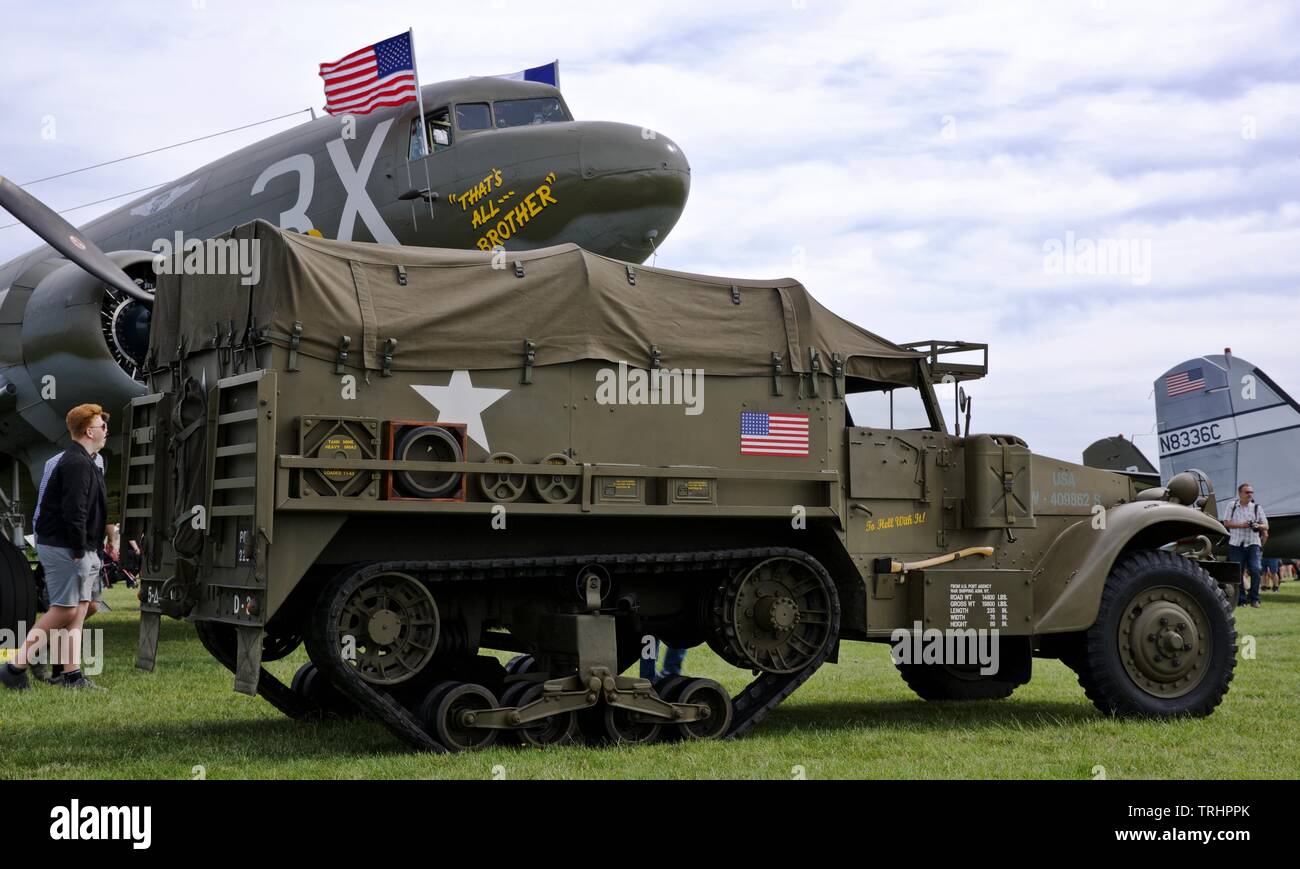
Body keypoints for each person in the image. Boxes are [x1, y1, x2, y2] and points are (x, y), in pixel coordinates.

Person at [1, 404, 110, 690]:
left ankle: (70, 675)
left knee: (78, 610)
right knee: (63, 609)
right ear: (89, 431)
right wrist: (79, 549)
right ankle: (14, 667)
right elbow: (75, 510)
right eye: (103, 426)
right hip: (67, 547)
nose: (106, 431)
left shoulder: (90, 461)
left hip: (81, 546)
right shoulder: (74, 463)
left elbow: (92, 509)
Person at [1222, 483, 1268, 609]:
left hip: (1253, 543)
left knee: (1256, 569)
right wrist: (1241, 525)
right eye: (1247, 492)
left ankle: (1254, 599)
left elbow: (1266, 526)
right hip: (1236, 543)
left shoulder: (1257, 508)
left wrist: (1257, 526)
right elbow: (1226, 523)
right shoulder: (1232, 506)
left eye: (1251, 492)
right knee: (1238, 573)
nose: (1250, 494)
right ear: (1240, 494)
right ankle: (1241, 600)